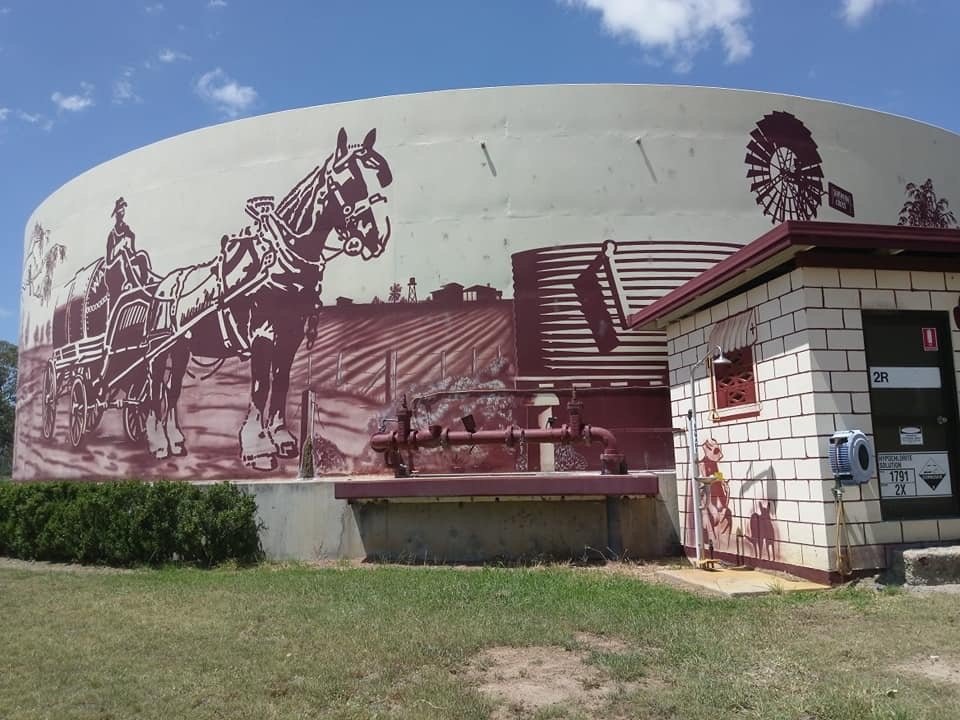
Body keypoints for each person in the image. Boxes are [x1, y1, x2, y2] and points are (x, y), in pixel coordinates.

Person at [105, 197, 154, 294]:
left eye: (123, 208)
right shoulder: (112, 235)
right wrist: (119, 249)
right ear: (116, 213)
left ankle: (145, 281)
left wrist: (132, 249)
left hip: (127, 259)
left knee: (142, 256)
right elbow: (109, 262)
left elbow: (132, 236)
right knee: (123, 256)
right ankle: (128, 282)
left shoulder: (125, 227)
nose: (123, 210)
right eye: (120, 208)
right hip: (115, 267)